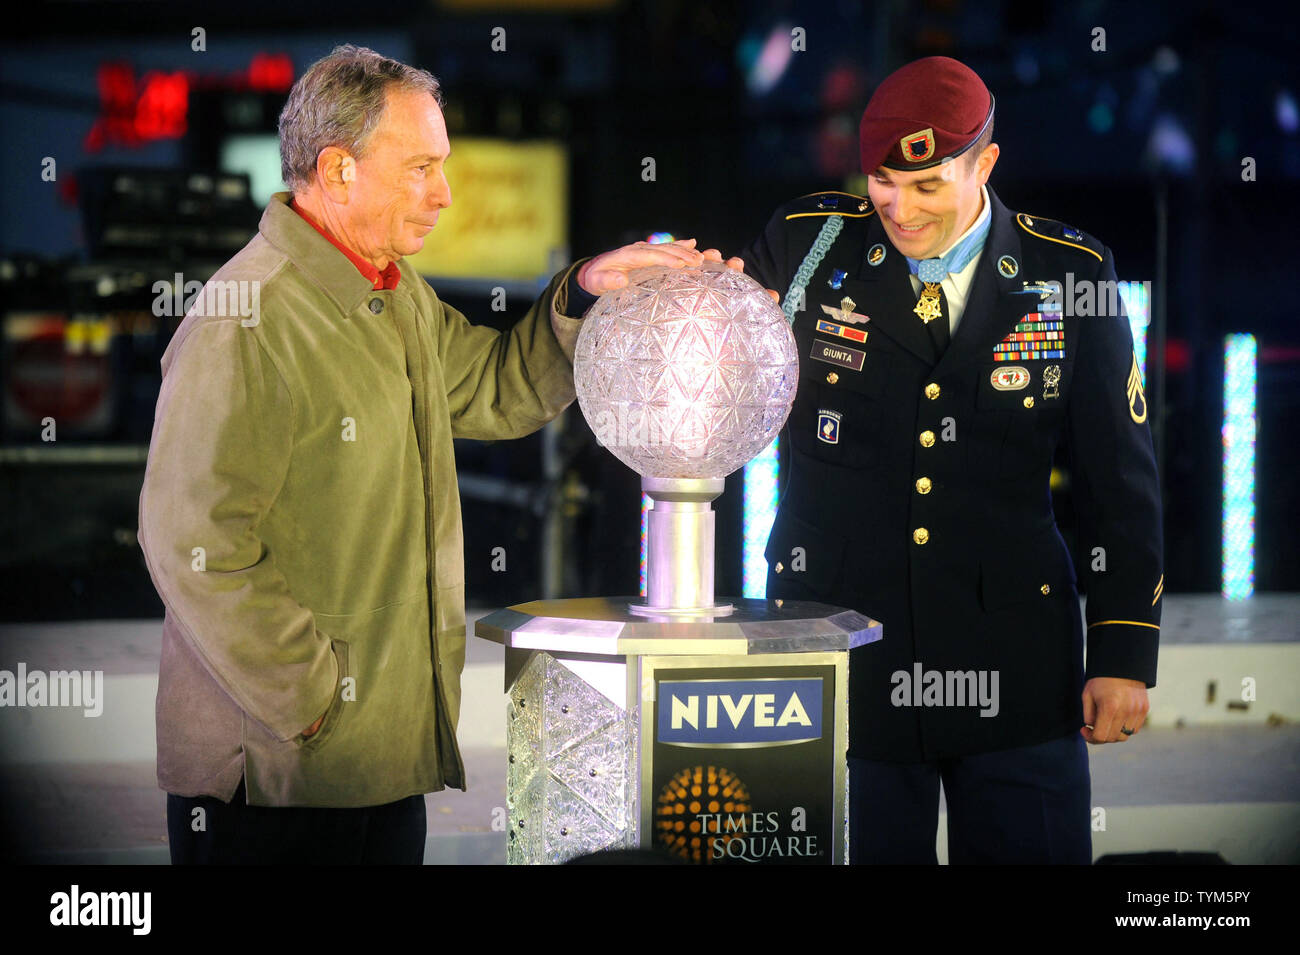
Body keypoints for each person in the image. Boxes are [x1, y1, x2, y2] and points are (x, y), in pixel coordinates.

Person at [138, 44, 736, 864]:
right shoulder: (249, 318)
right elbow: (192, 543)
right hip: (277, 788)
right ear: (338, 168)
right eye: (421, 167)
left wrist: (586, 289)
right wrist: (313, 700)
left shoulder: (390, 289)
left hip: (382, 772)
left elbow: (493, 386)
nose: (444, 194)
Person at [742, 56, 1162, 864]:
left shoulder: (1072, 274)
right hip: (842, 660)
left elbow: (1121, 481)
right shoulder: (805, 244)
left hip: (1016, 663)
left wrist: (1122, 654)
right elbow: (716, 365)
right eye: (882, 183)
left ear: (986, 164)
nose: (897, 208)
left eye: (927, 185)